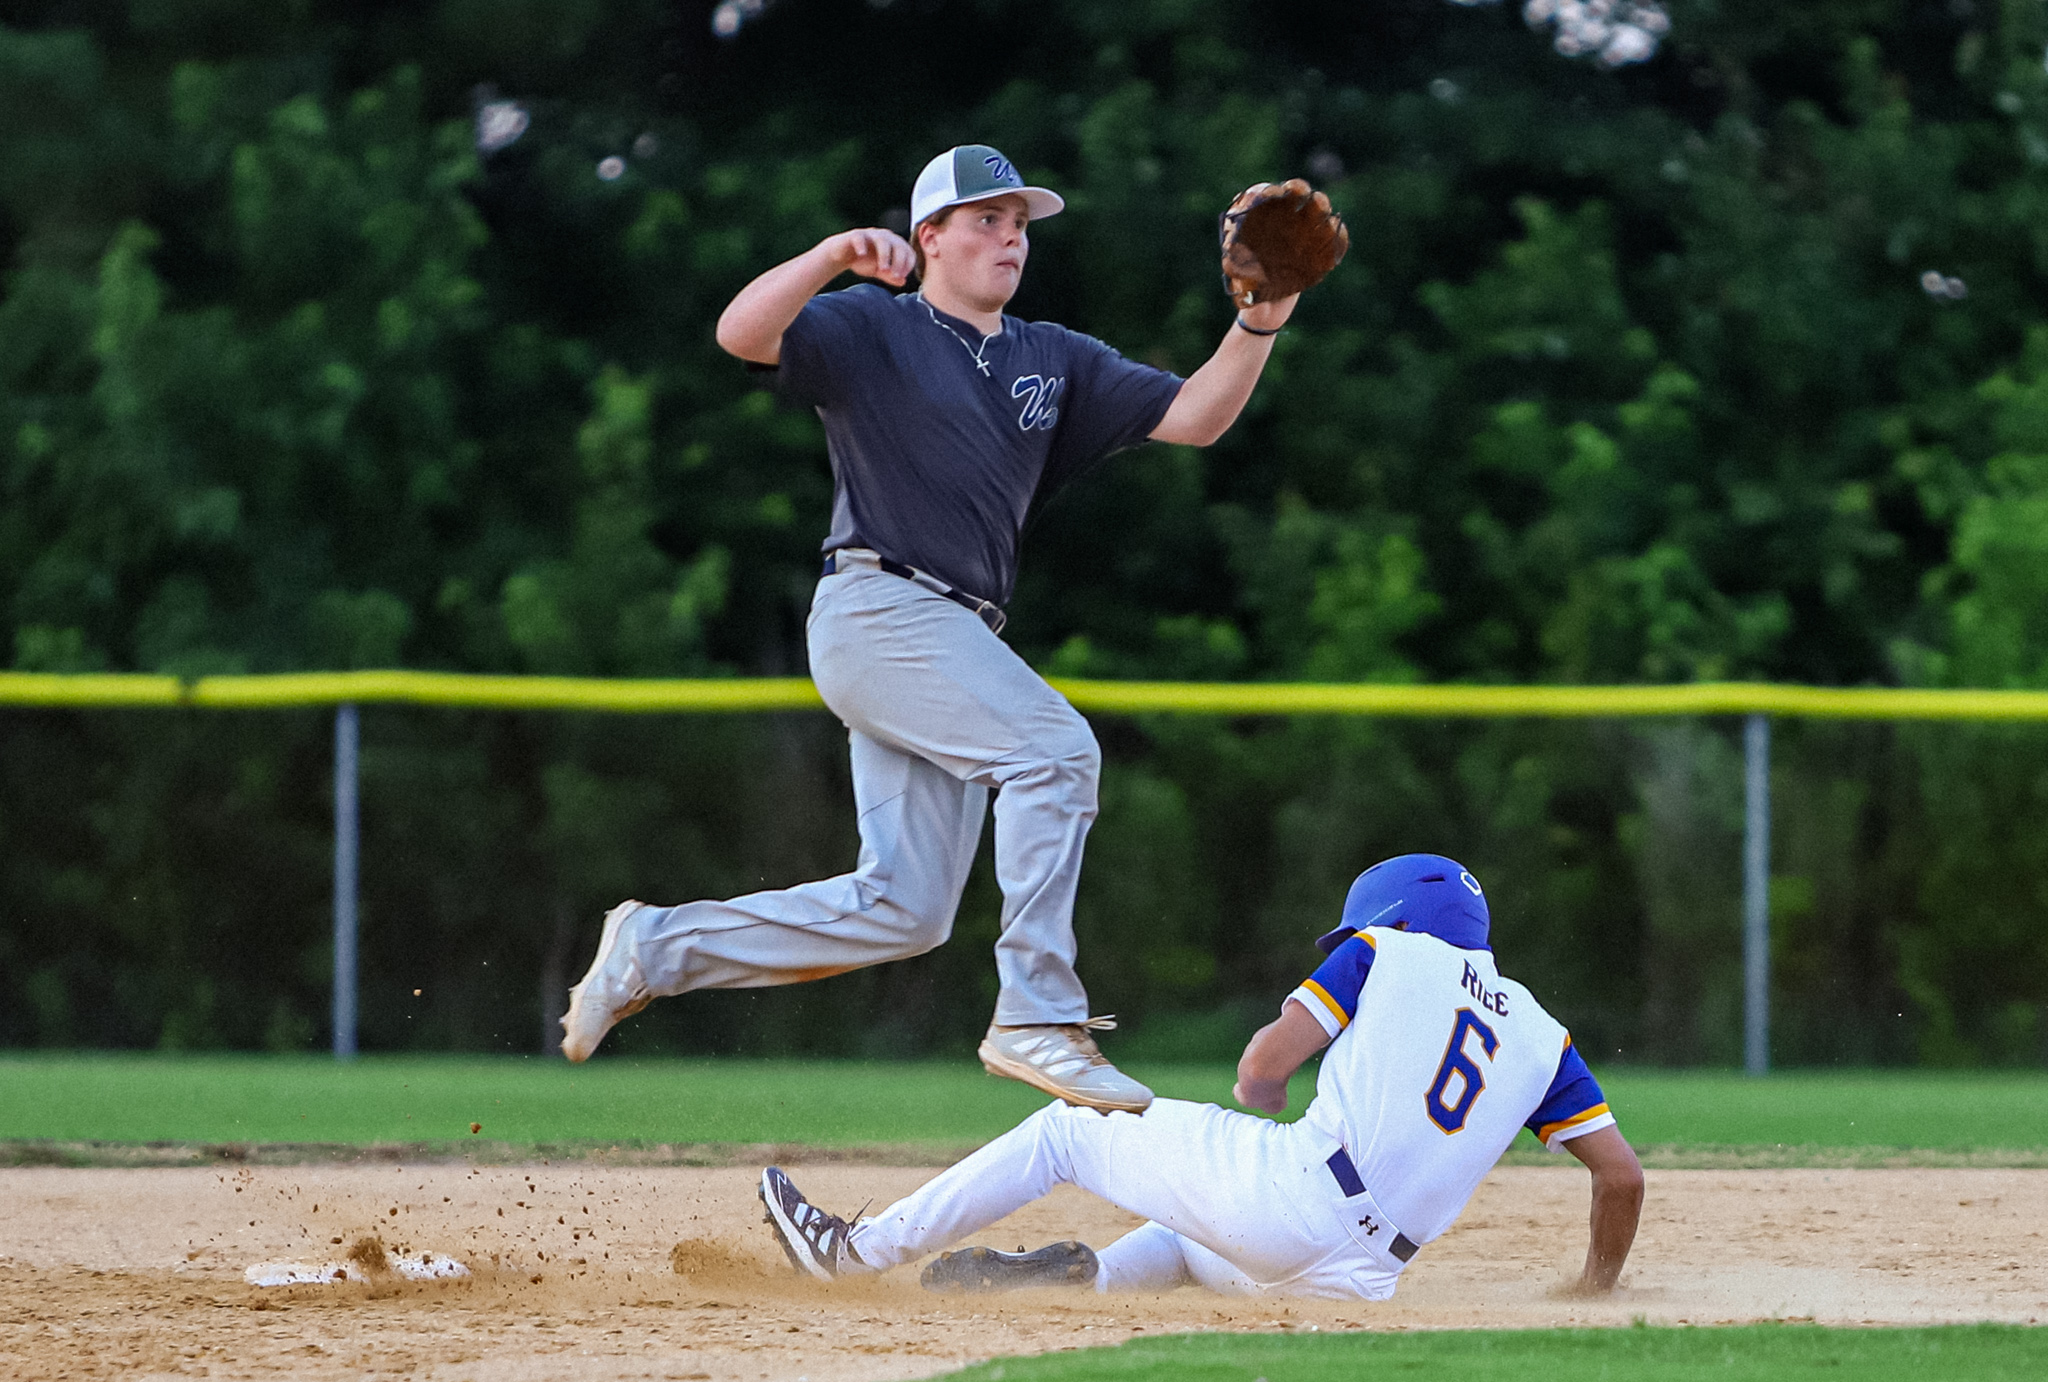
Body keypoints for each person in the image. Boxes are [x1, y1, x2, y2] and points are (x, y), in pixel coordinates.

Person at [558, 145, 1309, 1112]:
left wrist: (1261, 318)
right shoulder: (874, 326)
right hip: (879, 608)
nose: (1011, 238)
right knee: (1055, 753)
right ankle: (1038, 1013)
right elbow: (741, 333)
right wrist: (832, 255)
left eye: (1020, 223)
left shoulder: (1054, 356)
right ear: (929, 239)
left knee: (905, 908)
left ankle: (656, 945)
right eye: (987, 219)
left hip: (955, 635)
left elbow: (1198, 417)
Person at [757, 853, 1645, 1301]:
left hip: (1290, 1206)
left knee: (1073, 1124)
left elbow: (1263, 1065)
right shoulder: (1539, 1031)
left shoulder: (1386, 948)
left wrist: (1263, 1095)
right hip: (1359, 1282)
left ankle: (852, 1253)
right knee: (1189, 1233)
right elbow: (1622, 1176)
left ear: (1397, 917)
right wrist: (1596, 1287)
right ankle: (1087, 1279)